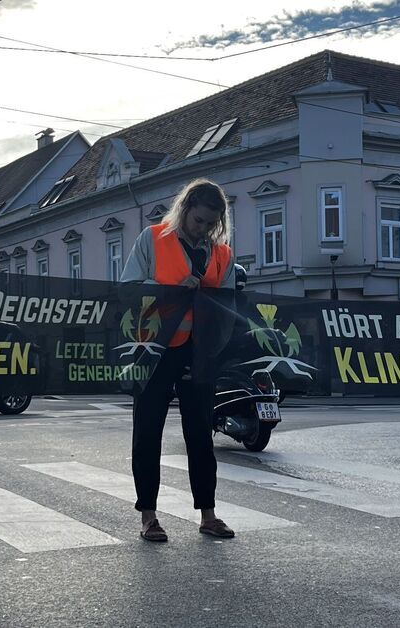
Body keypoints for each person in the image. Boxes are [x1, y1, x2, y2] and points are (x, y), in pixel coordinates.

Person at [120, 178, 236, 542]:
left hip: (199, 351)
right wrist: (170, 291)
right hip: (154, 348)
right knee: (148, 430)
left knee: (200, 432)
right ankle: (149, 517)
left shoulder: (222, 254)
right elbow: (128, 289)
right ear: (184, 210)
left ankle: (209, 514)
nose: (203, 229)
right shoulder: (153, 239)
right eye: (198, 220)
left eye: (211, 224)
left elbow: (230, 305)